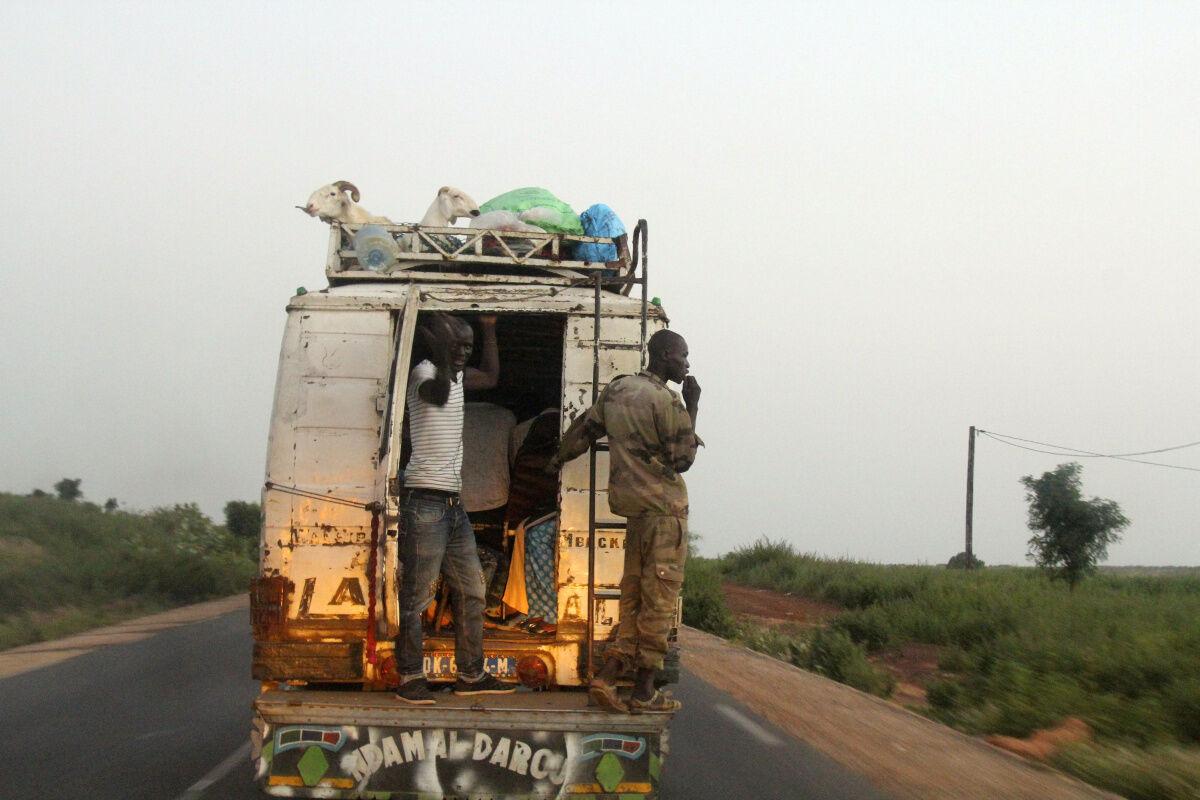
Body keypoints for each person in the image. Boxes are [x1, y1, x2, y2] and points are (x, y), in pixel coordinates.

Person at [547, 329, 702, 713]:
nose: (686, 364)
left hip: (634, 514)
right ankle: (644, 691)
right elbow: (683, 459)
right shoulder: (668, 400)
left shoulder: (618, 391)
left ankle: (607, 676)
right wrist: (693, 407)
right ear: (664, 355)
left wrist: (556, 460)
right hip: (665, 514)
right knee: (659, 602)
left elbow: (583, 432)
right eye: (683, 356)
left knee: (632, 599)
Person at [394, 312, 516, 704]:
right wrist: (442, 355)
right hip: (424, 502)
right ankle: (410, 678)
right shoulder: (424, 373)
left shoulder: (457, 376)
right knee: (416, 598)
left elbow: (492, 378)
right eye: (457, 345)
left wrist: (489, 330)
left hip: (452, 504)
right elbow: (440, 396)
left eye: (468, 347)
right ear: (438, 345)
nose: (464, 352)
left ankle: (471, 674)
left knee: (473, 590)